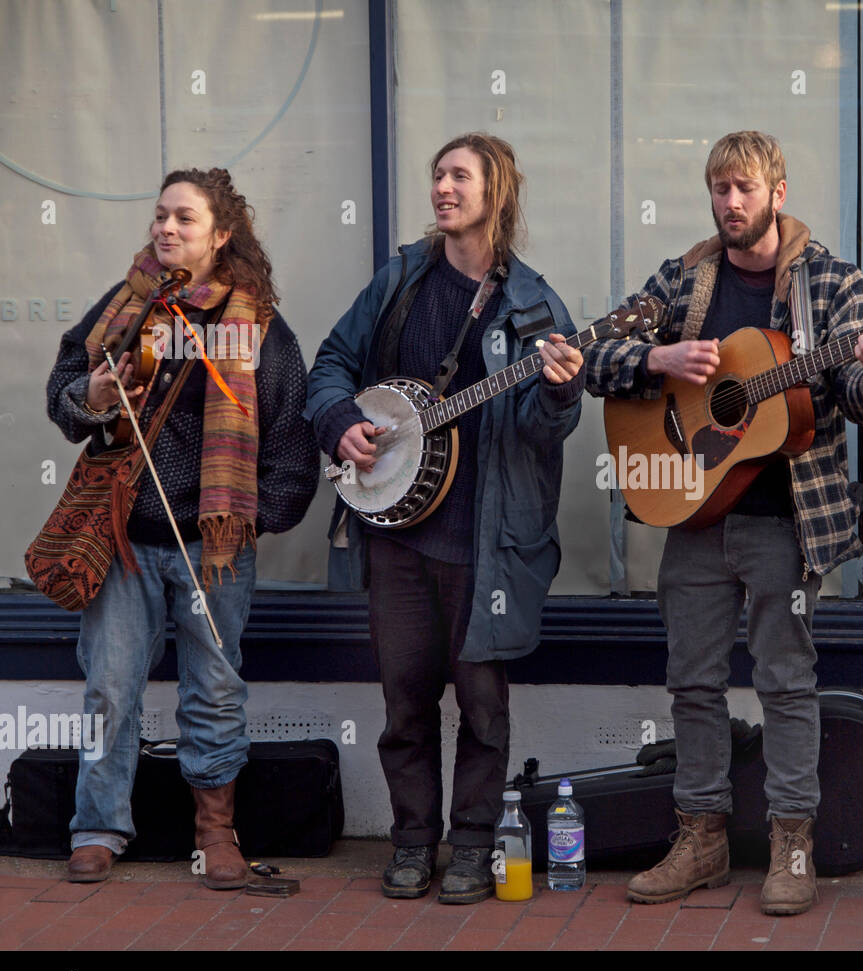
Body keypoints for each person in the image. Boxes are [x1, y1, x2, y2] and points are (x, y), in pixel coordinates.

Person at [582, 130, 863, 915]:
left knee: (785, 682)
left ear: (778, 192)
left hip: (784, 520)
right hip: (692, 510)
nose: (731, 203)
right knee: (692, 681)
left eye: (745, 189)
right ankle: (699, 838)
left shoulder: (831, 282)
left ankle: (791, 842)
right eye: (720, 189)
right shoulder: (686, 278)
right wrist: (656, 362)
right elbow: (594, 351)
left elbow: (855, 403)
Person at [304, 132, 583, 903]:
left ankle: (470, 846)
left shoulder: (532, 304)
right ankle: (411, 842)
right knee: (404, 698)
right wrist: (339, 425)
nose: (442, 187)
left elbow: (542, 431)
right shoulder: (399, 281)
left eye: (459, 175)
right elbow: (329, 364)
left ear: (496, 192)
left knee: (483, 706)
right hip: (395, 533)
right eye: (436, 175)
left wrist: (559, 390)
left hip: (485, 542)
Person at [47, 168, 318, 888]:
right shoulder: (123, 307)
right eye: (161, 216)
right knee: (110, 685)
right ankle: (98, 824)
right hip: (126, 540)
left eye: (185, 219)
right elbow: (63, 392)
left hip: (214, 545)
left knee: (215, 689)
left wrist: (258, 515)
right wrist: (92, 395)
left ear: (221, 234)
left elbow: (292, 432)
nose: (166, 229)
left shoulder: (258, 324)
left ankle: (214, 833)